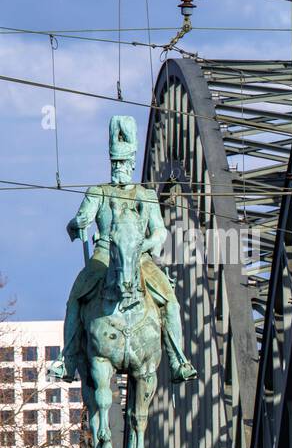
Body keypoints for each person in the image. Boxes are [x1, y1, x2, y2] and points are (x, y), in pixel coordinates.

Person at [47, 115, 197, 385]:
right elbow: (79, 221)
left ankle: (177, 359)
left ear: (132, 162)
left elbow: (160, 231)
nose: (119, 168)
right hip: (104, 255)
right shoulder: (98, 192)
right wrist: (78, 223)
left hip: (140, 258)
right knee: (76, 298)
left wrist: (145, 245)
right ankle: (67, 358)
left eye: (123, 163)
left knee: (171, 302)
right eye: (115, 163)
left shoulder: (146, 196)